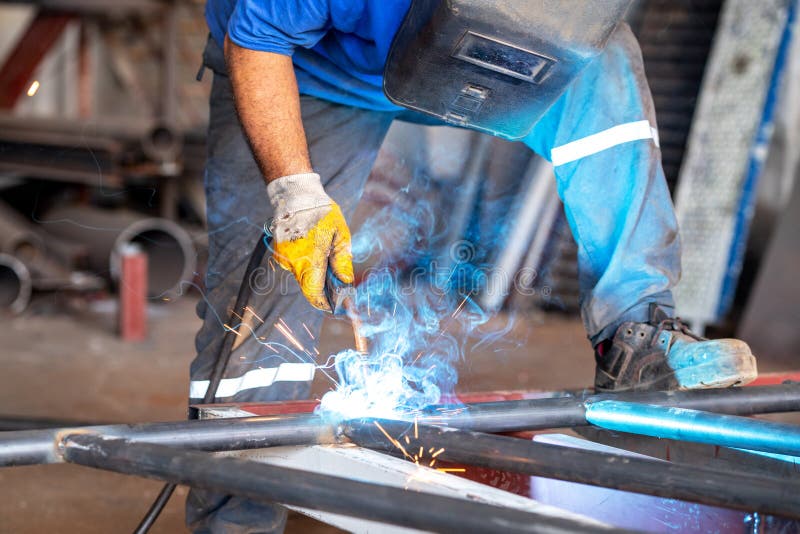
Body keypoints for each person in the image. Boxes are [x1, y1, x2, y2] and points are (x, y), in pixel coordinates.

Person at [188, 1, 758, 531]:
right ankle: (235, 517)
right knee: (264, 305)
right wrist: (296, 194)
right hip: (310, 70)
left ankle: (636, 334)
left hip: (470, 53)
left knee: (605, 61)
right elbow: (260, 39)